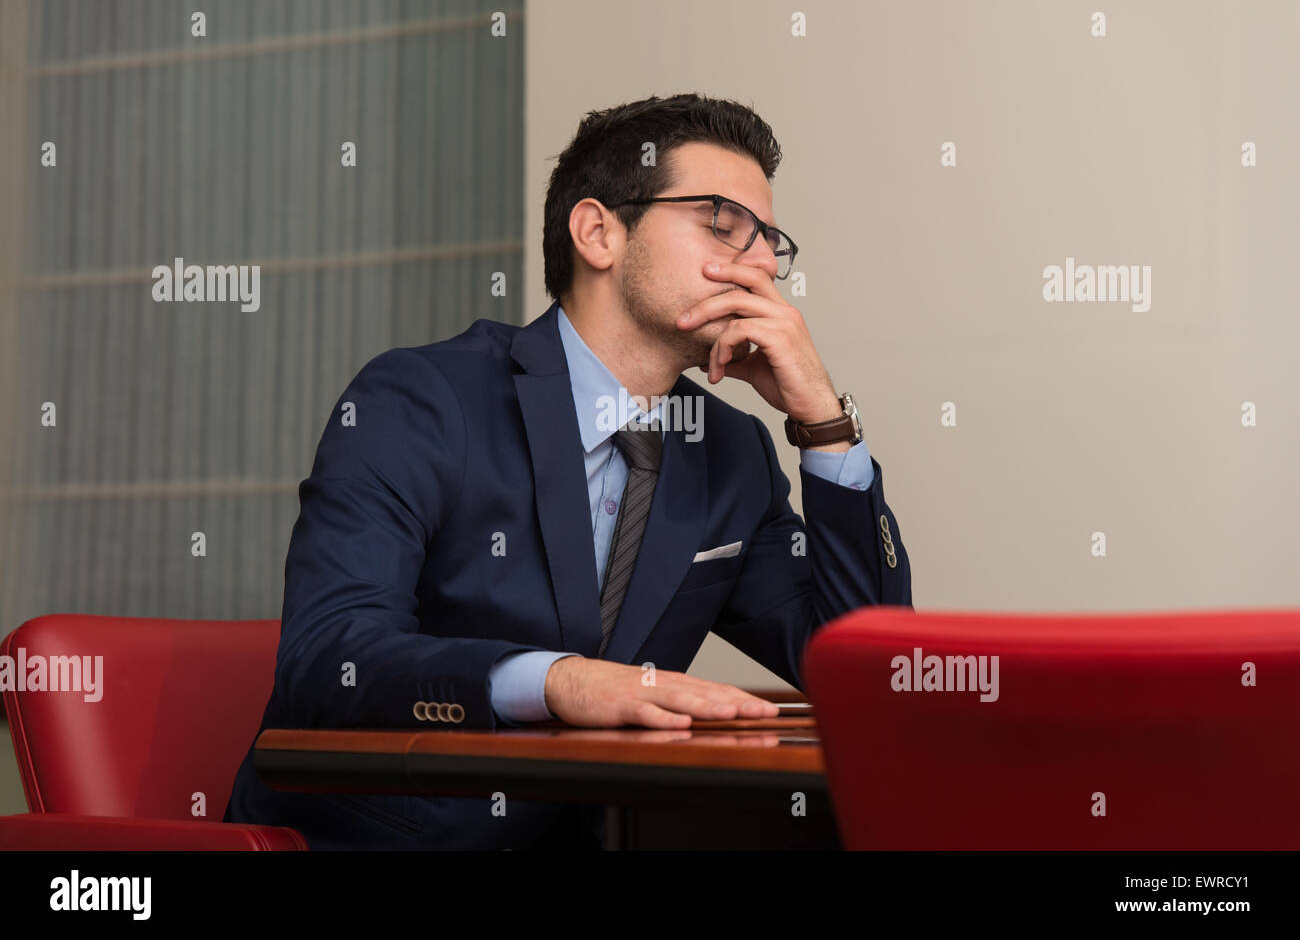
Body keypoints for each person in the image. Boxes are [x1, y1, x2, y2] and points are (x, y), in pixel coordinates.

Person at [224, 92, 912, 849]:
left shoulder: (731, 453)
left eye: (767, 241)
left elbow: (867, 679)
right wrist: (557, 679)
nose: (758, 265)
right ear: (598, 232)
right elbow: (331, 659)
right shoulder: (423, 400)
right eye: (723, 222)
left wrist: (823, 422)